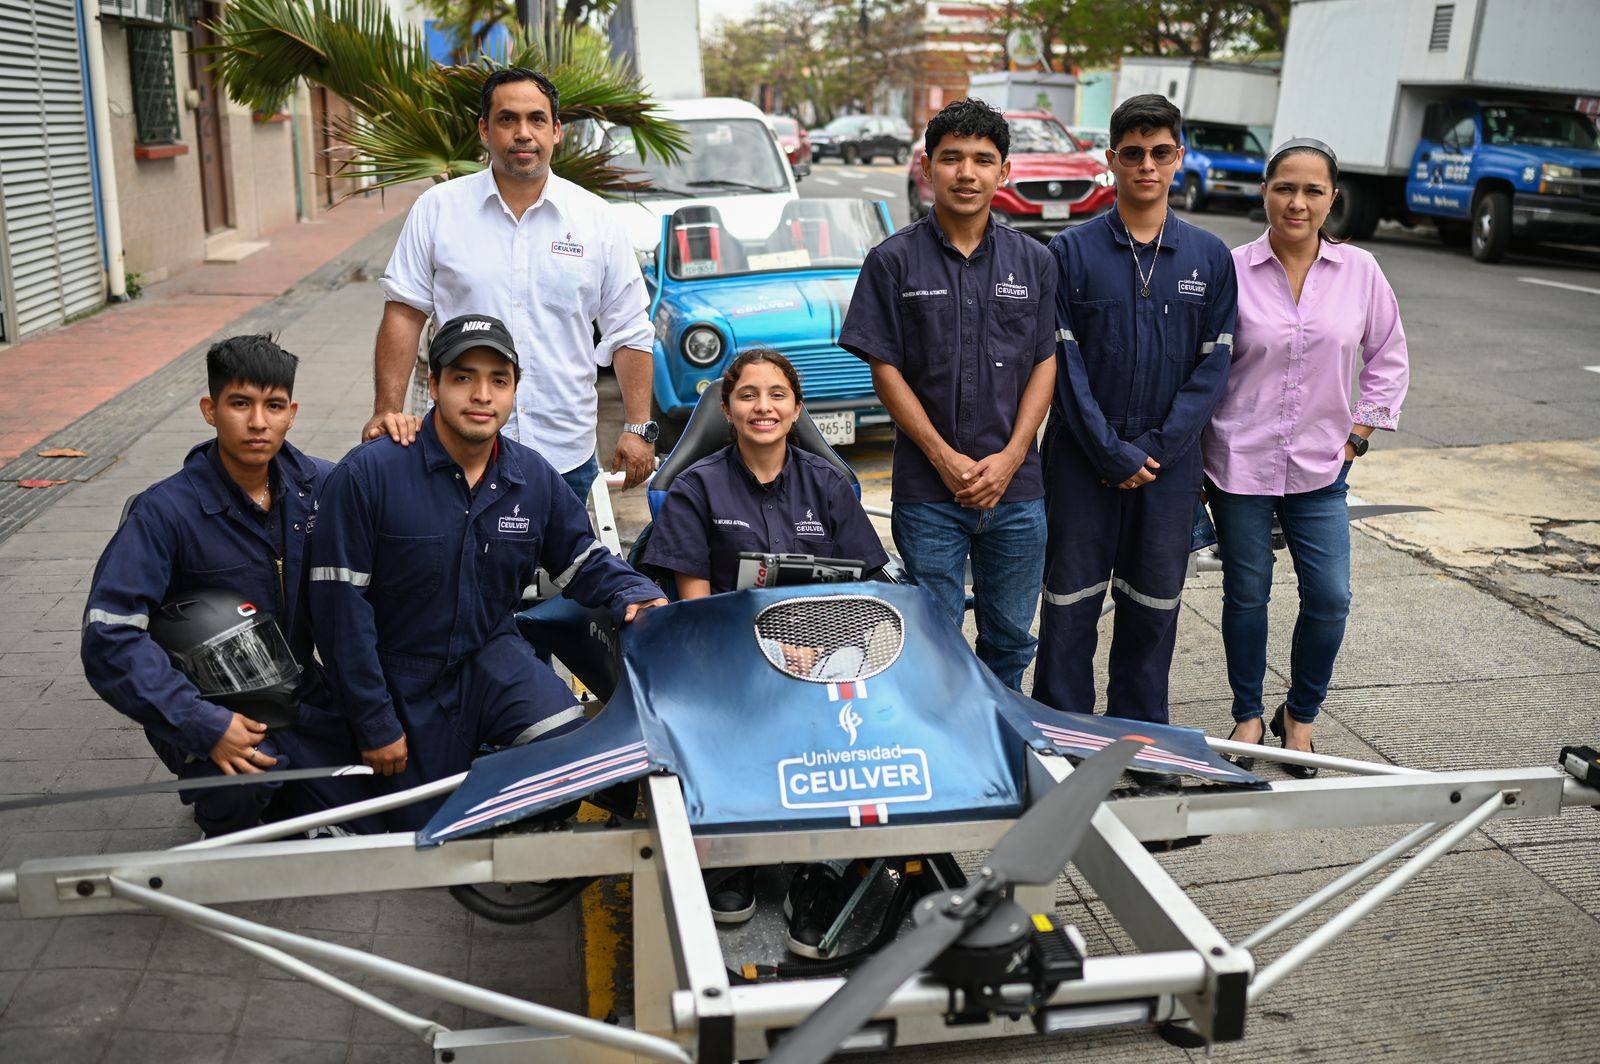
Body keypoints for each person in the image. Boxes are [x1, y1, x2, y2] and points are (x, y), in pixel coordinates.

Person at [309, 313, 668, 831]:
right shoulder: (370, 474)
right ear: (431, 385)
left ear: (515, 392)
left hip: (491, 654)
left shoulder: (531, 477)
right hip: (402, 673)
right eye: (463, 377)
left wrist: (638, 593)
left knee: (572, 764)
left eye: (498, 380)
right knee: (420, 826)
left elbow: (582, 560)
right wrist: (374, 720)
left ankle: (502, 787)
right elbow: (339, 614)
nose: (482, 395)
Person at [81, 336, 418, 837]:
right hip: (208, 706)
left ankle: (288, 796)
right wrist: (202, 724)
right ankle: (223, 807)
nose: (258, 422)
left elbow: (405, 513)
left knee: (386, 809)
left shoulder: (322, 488)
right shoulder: (164, 513)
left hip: (299, 690)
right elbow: (109, 637)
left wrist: (411, 437)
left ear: (292, 413)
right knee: (245, 785)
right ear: (210, 410)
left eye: (273, 405)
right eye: (240, 403)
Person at [642, 349, 889, 955]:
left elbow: (865, 590)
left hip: (822, 653)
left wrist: (823, 649)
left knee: (857, 715)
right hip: (728, 654)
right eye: (748, 395)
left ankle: (821, 874)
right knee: (727, 710)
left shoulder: (827, 483)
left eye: (777, 395)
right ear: (727, 409)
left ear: (797, 408)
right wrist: (765, 652)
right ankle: (734, 857)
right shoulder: (694, 488)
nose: (764, 407)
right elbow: (694, 609)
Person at [1033, 94, 1238, 751]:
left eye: (1160, 153)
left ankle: (1139, 749)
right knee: (1069, 608)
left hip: (1168, 469)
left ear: (1179, 157)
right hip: (1081, 462)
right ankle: (1063, 744)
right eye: (1132, 153)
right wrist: (1108, 450)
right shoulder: (1069, 252)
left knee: (1153, 611)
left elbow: (1214, 369)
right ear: (1110, 160)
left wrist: (1154, 448)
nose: (1146, 165)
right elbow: (1062, 362)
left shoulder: (1209, 257)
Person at [1203, 138, 1409, 777]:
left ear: (1332, 199)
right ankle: (1247, 715)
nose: (1297, 202)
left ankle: (1301, 716)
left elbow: (1388, 357)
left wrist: (1359, 435)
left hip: (1322, 466)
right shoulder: (1229, 268)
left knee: (1330, 597)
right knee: (1246, 594)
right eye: (1284, 187)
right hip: (1239, 461)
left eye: (1312, 191)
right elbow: (1199, 360)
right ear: (1264, 191)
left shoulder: (1361, 272)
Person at [838, 98, 1057, 691]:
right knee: (930, 641)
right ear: (927, 167)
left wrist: (1011, 458)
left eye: (983, 160)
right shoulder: (891, 261)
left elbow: (1045, 362)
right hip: (928, 493)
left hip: (1017, 492)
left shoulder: (1035, 261)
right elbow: (885, 370)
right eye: (952, 158)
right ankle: (945, 761)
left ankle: (1001, 750)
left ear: (1004, 172)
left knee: (1011, 639)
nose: (967, 173)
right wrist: (943, 457)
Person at [368, 66, 659, 501]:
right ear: (484, 130)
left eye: (536, 119)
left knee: (564, 570)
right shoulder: (438, 210)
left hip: (564, 458)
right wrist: (386, 411)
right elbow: (405, 314)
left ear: (557, 131)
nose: (523, 133)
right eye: (508, 119)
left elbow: (629, 329)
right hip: (456, 450)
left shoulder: (596, 220)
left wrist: (638, 427)